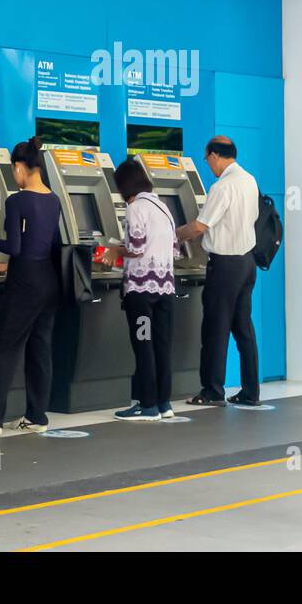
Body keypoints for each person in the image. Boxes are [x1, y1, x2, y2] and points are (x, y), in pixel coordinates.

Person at [0, 136, 63, 438]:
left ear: (19, 167)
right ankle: (36, 416)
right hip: (48, 281)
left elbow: (15, 246)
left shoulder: (16, 201)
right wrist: (13, 263)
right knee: (39, 348)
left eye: (13, 169)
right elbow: (48, 243)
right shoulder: (53, 199)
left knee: (3, 349)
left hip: (25, 285)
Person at [177, 135, 261, 406]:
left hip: (225, 266)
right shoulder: (250, 180)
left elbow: (200, 226)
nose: (208, 165)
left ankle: (213, 391)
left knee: (215, 329)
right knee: (243, 329)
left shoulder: (222, 186)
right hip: (247, 264)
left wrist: (171, 234)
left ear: (214, 155)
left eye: (207, 159)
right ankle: (250, 392)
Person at [105, 157, 178, 421]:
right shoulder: (163, 207)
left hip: (141, 293)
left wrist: (113, 250)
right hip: (165, 290)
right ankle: (164, 403)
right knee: (161, 345)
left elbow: (135, 247)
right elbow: (175, 249)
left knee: (143, 345)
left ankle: (147, 406)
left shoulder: (136, 207)